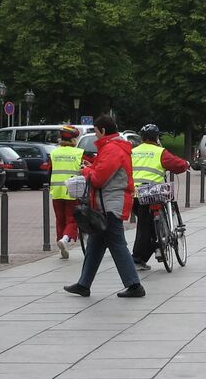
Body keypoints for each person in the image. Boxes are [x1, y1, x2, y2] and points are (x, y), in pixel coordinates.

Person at [64, 114, 145, 298]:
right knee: (95, 244)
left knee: (117, 244)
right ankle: (83, 284)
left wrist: (86, 171)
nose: (95, 135)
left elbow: (99, 179)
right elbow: (103, 170)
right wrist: (92, 166)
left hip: (111, 205)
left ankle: (135, 285)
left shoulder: (112, 149)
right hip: (107, 204)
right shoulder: (112, 147)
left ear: (103, 130)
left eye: (95, 131)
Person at [130, 123, 189, 271]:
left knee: (145, 224)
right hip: (153, 193)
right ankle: (139, 257)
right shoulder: (160, 152)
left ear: (141, 138)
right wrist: (186, 164)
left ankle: (155, 248)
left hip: (134, 194)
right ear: (156, 138)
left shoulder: (133, 152)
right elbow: (177, 164)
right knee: (146, 228)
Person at [48, 125, 84, 259]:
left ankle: (61, 247)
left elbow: (49, 170)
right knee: (72, 219)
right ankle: (65, 239)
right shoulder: (79, 153)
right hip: (72, 191)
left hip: (56, 191)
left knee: (60, 219)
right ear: (73, 140)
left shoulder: (54, 153)